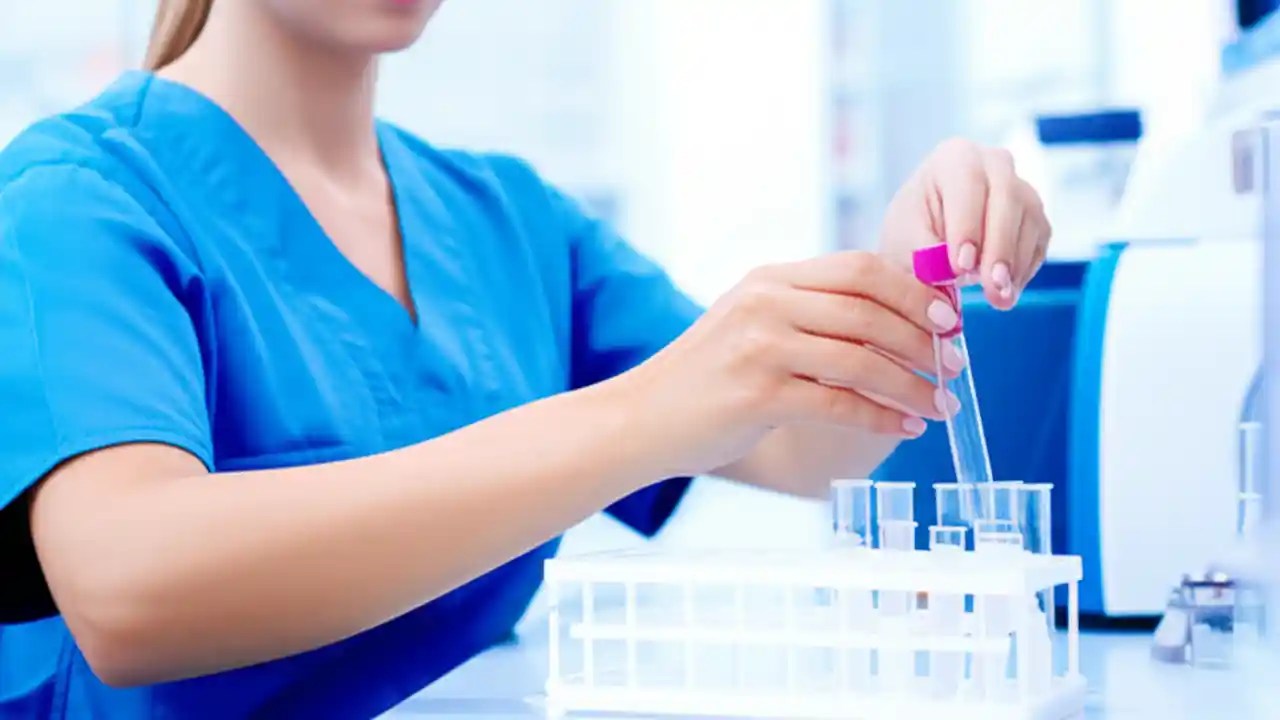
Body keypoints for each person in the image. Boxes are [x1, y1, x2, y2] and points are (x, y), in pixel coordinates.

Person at [0, 0, 1051, 717]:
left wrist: (907, 282)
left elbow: (791, 446)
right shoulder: (82, 193)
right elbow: (132, 588)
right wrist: (645, 414)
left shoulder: (506, 219)